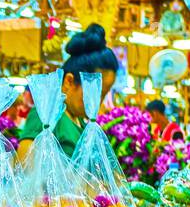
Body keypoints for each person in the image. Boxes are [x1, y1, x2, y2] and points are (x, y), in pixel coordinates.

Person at [16, 23, 120, 159]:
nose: (97, 104)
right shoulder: (47, 115)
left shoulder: (83, 125)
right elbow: (26, 163)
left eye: (103, 96)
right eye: (95, 95)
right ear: (69, 81)